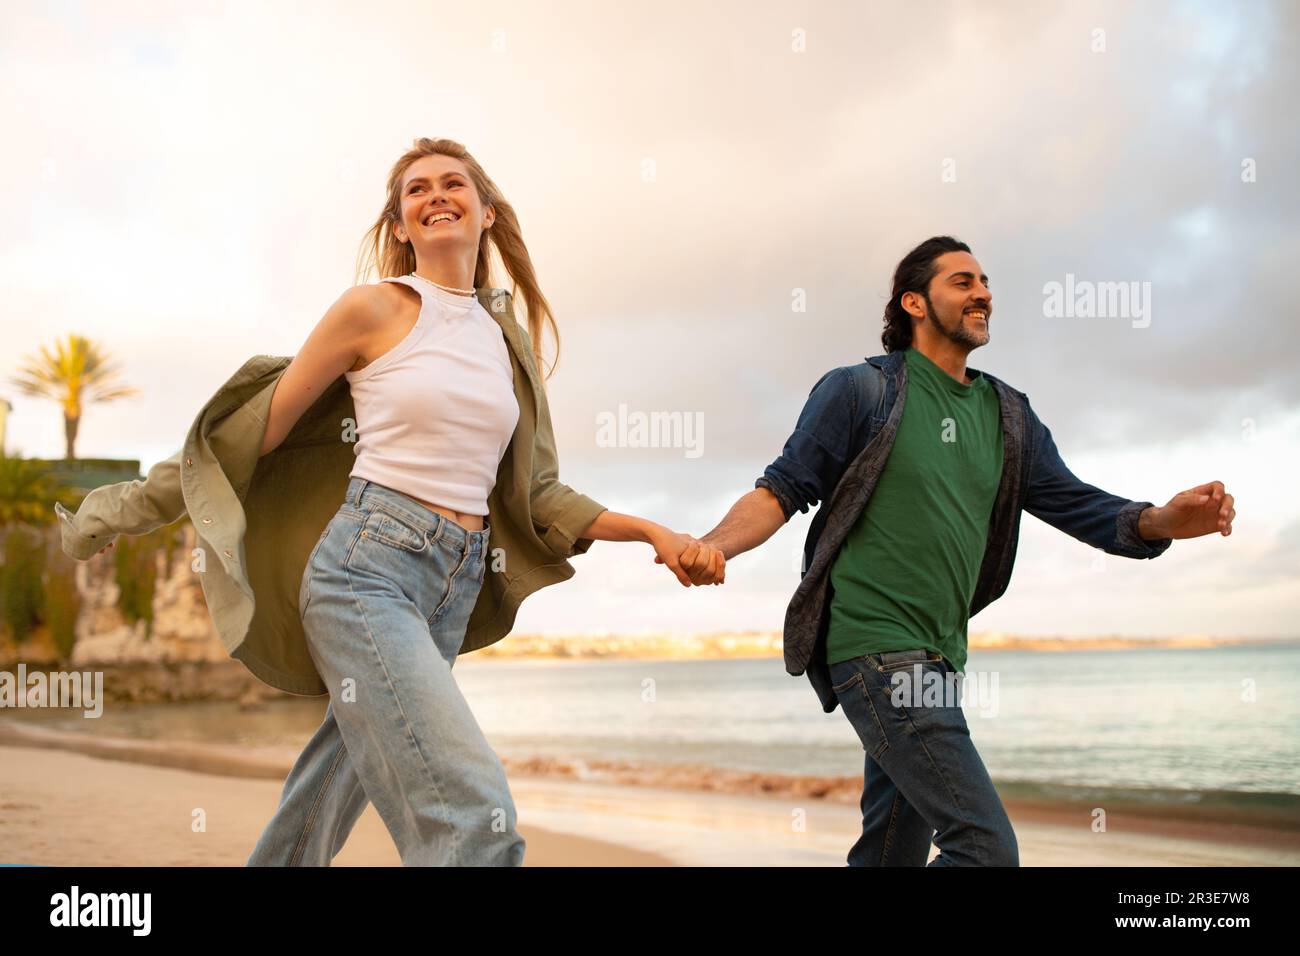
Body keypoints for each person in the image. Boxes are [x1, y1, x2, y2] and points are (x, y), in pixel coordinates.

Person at [239, 137, 725, 866]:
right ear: (399, 225)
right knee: (476, 819)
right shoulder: (372, 309)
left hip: (453, 584)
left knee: (331, 789)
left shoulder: (506, 341)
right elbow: (257, 430)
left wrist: (650, 529)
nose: (435, 195)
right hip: (365, 568)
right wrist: (166, 503)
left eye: (453, 183)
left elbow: (539, 493)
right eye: (415, 190)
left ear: (486, 211)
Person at [683, 236, 1236, 866]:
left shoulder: (1009, 416)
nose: (983, 294)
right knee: (986, 851)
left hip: (939, 658)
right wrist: (710, 546)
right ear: (914, 303)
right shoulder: (861, 392)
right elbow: (781, 489)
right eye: (963, 282)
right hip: (878, 649)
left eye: (985, 282)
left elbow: (1077, 504)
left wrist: (1162, 519)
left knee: (889, 855)